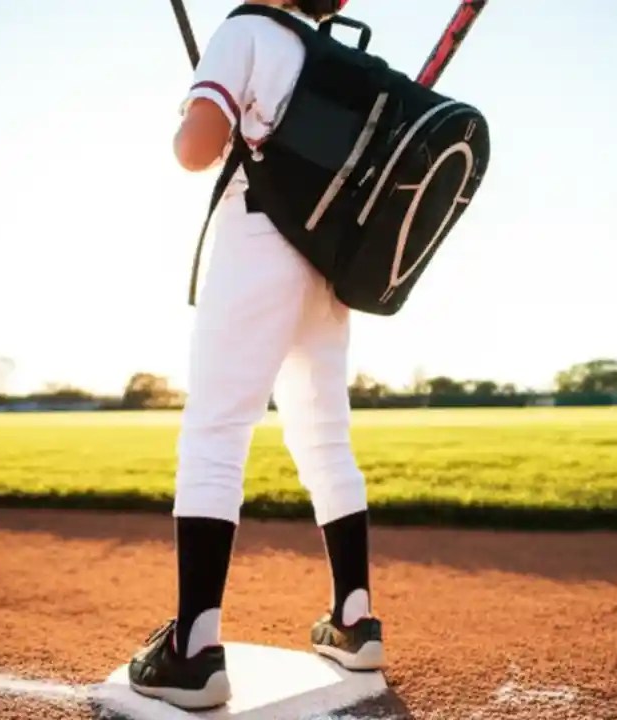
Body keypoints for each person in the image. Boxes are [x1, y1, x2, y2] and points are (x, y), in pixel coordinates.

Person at [125, 0, 383, 711]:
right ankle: (356, 622)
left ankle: (194, 649)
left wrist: (194, 114)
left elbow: (195, 149)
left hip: (257, 241)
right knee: (326, 439)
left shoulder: (243, 31)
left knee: (215, 432)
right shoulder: (336, 59)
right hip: (325, 268)